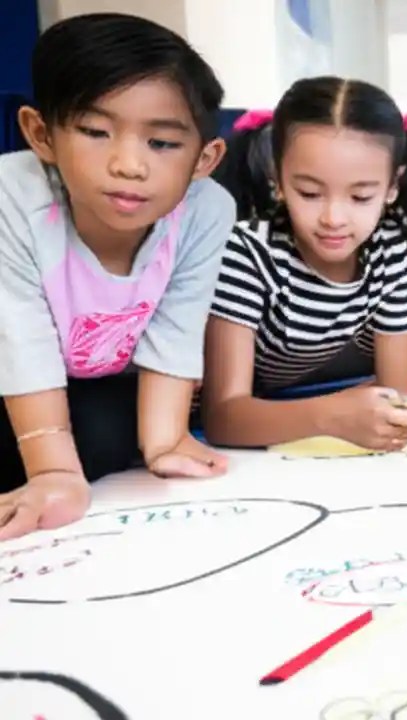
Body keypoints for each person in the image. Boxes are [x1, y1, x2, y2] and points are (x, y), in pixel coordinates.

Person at [0, 13, 235, 540]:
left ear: (205, 157)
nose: (128, 164)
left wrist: (166, 440)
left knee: (108, 431)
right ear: (41, 134)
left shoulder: (205, 210)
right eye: (94, 131)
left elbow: (177, 323)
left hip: (82, 389)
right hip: (11, 380)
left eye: (162, 144)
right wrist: (53, 472)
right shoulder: (10, 197)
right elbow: (20, 338)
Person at [201, 78, 407, 452]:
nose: (333, 218)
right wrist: (329, 415)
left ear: (392, 186)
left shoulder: (391, 251)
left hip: (327, 378)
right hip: (270, 394)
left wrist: (351, 409)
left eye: (360, 196)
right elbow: (224, 418)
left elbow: (397, 395)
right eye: (309, 193)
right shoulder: (248, 253)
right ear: (277, 178)